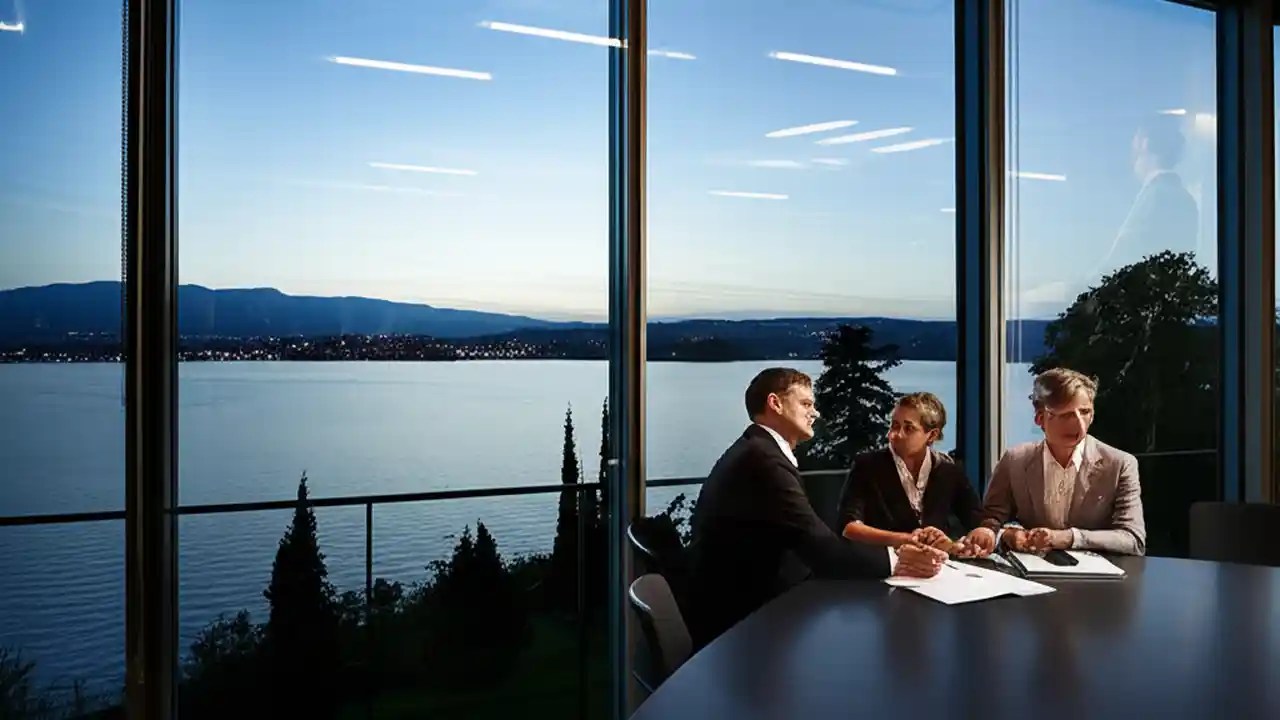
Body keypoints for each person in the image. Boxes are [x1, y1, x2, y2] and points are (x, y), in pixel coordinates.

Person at [686, 368, 946, 650]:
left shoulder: (756, 450)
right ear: (775, 403)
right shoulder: (764, 461)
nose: (815, 413)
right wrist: (898, 560)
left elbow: (804, 541)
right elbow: (822, 550)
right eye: (806, 404)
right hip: (739, 624)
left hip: (742, 606)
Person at [958, 368, 1147, 558]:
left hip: (1102, 580)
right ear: (1040, 418)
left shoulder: (1120, 464)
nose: (1079, 425)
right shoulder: (1015, 460)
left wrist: (1068, 538)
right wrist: (1002, 534)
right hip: (1031, 576)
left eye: (1085, 412)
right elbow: (991, 521)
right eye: (1066, 415)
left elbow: (1133, 539)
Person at [836, 392, 981, 554]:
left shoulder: (949, 471)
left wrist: (960, 545)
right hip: (884, 565)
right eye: (894, 425)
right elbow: (849, 528)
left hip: (937, 566)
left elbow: (976, 522)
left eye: (908, 428)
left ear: (932, 435)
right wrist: (904, 539)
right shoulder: (867, 466)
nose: (894, 435)